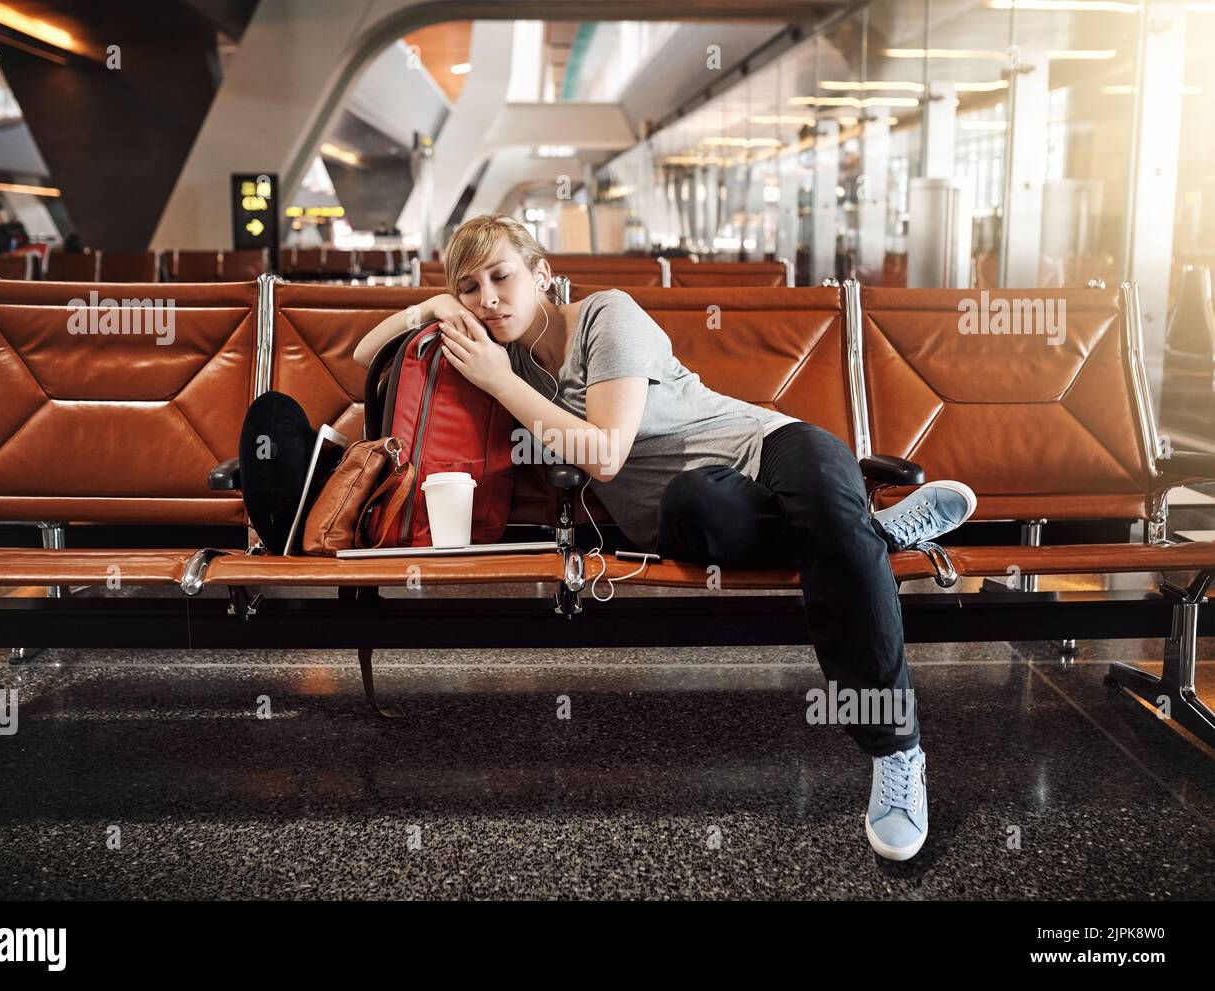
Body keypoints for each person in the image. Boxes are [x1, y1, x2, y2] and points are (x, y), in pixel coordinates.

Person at [267, 214, 977, 861]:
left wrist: (495, 376)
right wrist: (431, 305)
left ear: (543, 274)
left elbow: (603, 452)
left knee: (823, 489)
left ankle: (897, 749)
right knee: (709, 502)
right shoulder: (504, 355)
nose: (488, 298)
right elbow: (366, 356)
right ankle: (869, 535)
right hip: (688, 514)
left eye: (502, 276)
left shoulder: (609, 315)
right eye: (471, 286)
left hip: (769, 444)